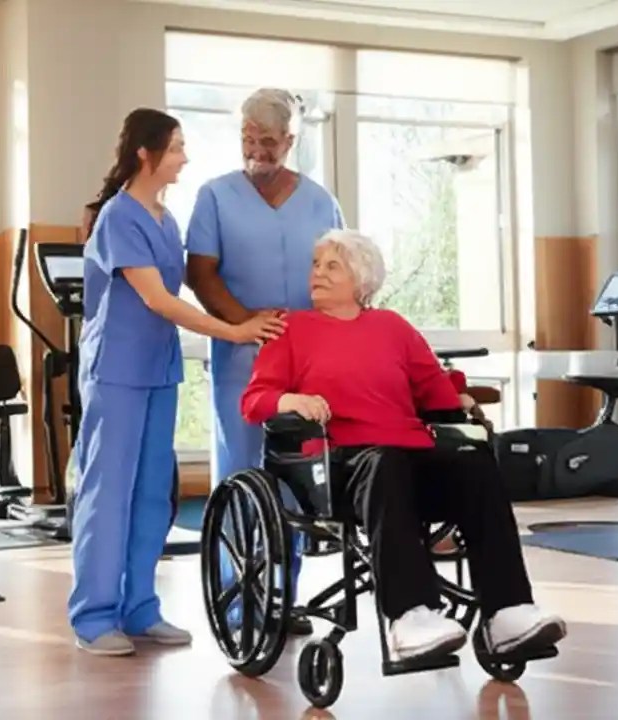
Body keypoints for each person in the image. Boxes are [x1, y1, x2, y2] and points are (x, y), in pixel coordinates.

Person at [240, 229, 567, 661]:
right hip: (340, 464)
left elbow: (431, 385)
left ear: (361, 279)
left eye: (331, 265)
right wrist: (291, 399)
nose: (317, 272)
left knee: (475, 464)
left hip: (407, 456)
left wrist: (458, 398)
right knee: (386, 463)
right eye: (315, 264)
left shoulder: (391, 327)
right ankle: (409, 616)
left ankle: (507, 612)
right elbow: (254, 400)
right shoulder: (292, 329)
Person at [69, 108, 286, 657]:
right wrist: (235, 329)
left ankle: (140, 607)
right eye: (176, 148)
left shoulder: (165, 219)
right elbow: (159, 300)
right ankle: (94, 615)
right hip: (115, 372)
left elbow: (180, 292)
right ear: (146, 153)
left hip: (158, 370)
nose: (185, 158)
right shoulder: (119, 216)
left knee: (151, 495)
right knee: (108, 492)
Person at [185, 88, 344, 634]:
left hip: (307, 359)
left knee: (295, 477)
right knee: (242, 472)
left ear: (290, 141)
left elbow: (339, 269)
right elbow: (200, 272)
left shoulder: (321, 201)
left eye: (268, 142)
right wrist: (246, 324)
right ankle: (240, 594)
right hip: (240, 356)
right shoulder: (215, 196)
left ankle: (285, 597)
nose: (256, 152)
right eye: (248, 140)